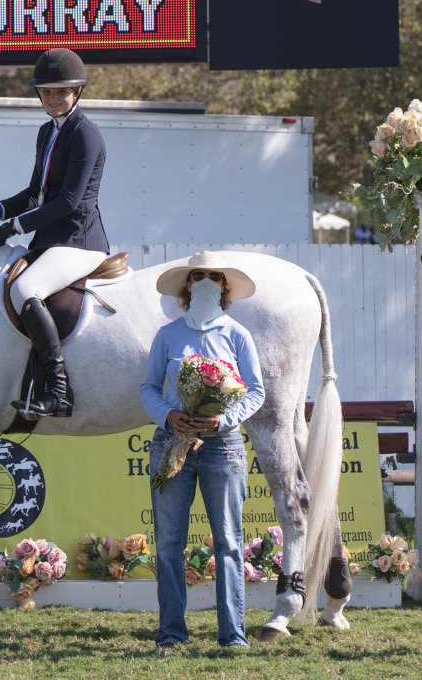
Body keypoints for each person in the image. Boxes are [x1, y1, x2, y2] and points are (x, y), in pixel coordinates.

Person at [0, 47, 109, 417]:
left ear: (76, 92)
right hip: (50, 240)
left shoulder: (86, 135)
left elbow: (68, 202)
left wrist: (14, 227)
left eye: (61, 92)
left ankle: (59, 391)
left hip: (79, 241)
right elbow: (36, 193)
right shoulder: (47, 131)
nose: (53, 98)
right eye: (46, 92)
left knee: (24, 290)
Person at [141, 252, 265, 651]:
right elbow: (148, 387)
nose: (206, 281)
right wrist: (167, 416)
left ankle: (233, 635)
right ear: (187, 285)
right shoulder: (167, 335)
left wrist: (225, 419)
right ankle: (171, 632)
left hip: (222, 446)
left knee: (228, 540)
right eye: (198, 275)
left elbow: (256, 391)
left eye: (214, 275)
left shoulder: (237, 335)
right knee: (168, 542)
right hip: (172, 443)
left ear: (224, 287)